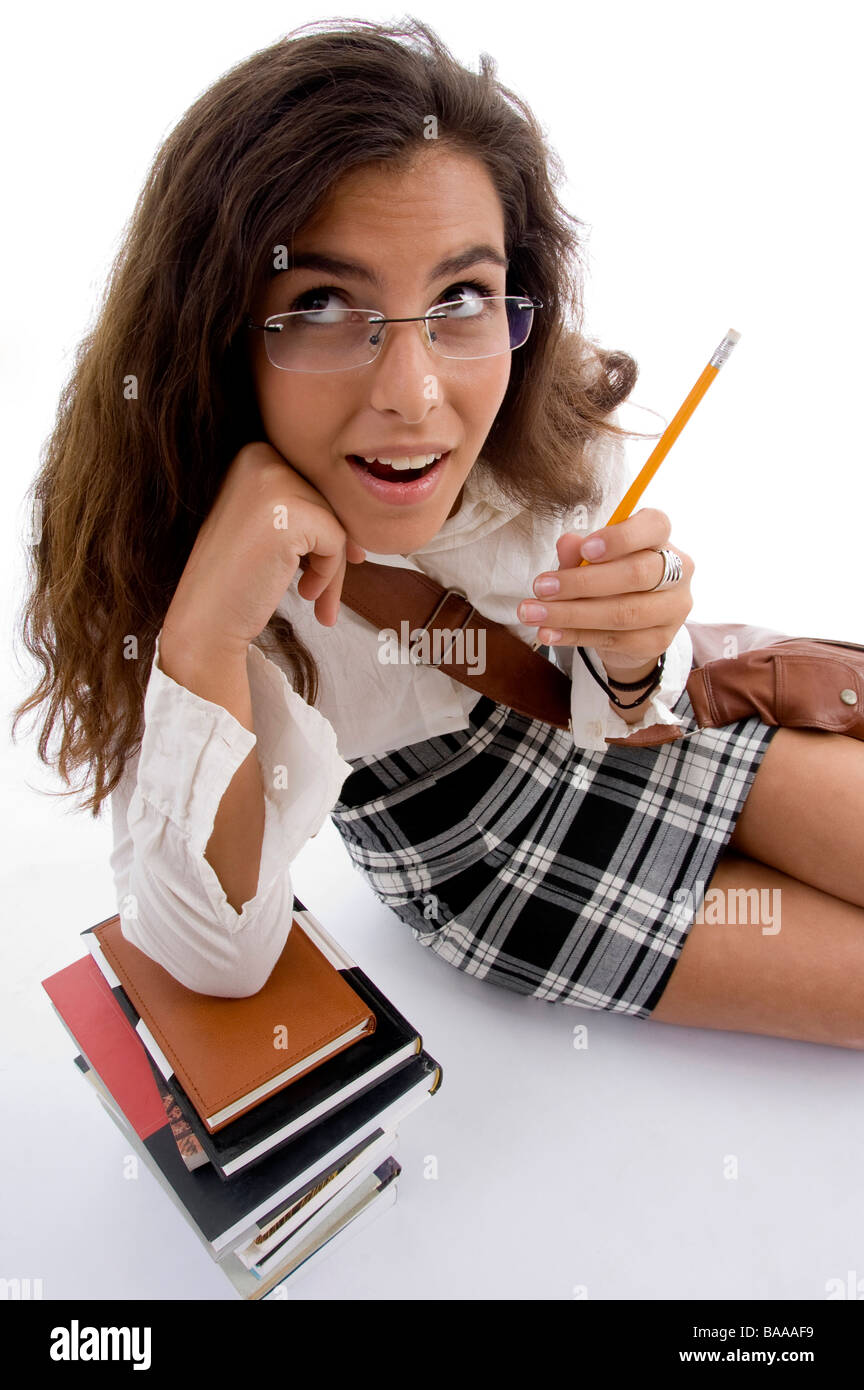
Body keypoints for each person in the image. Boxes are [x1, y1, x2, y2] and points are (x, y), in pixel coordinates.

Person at [13, 18, 864, 1050]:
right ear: (216, 328)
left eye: (460, 296)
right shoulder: (183, 553)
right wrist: (203, 635)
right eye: (323, 303)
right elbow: (212, 955)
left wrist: (636, 652)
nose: (415, 397)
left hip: (640, 749)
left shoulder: (528, 415)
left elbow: (621, 705)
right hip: (481, 854)